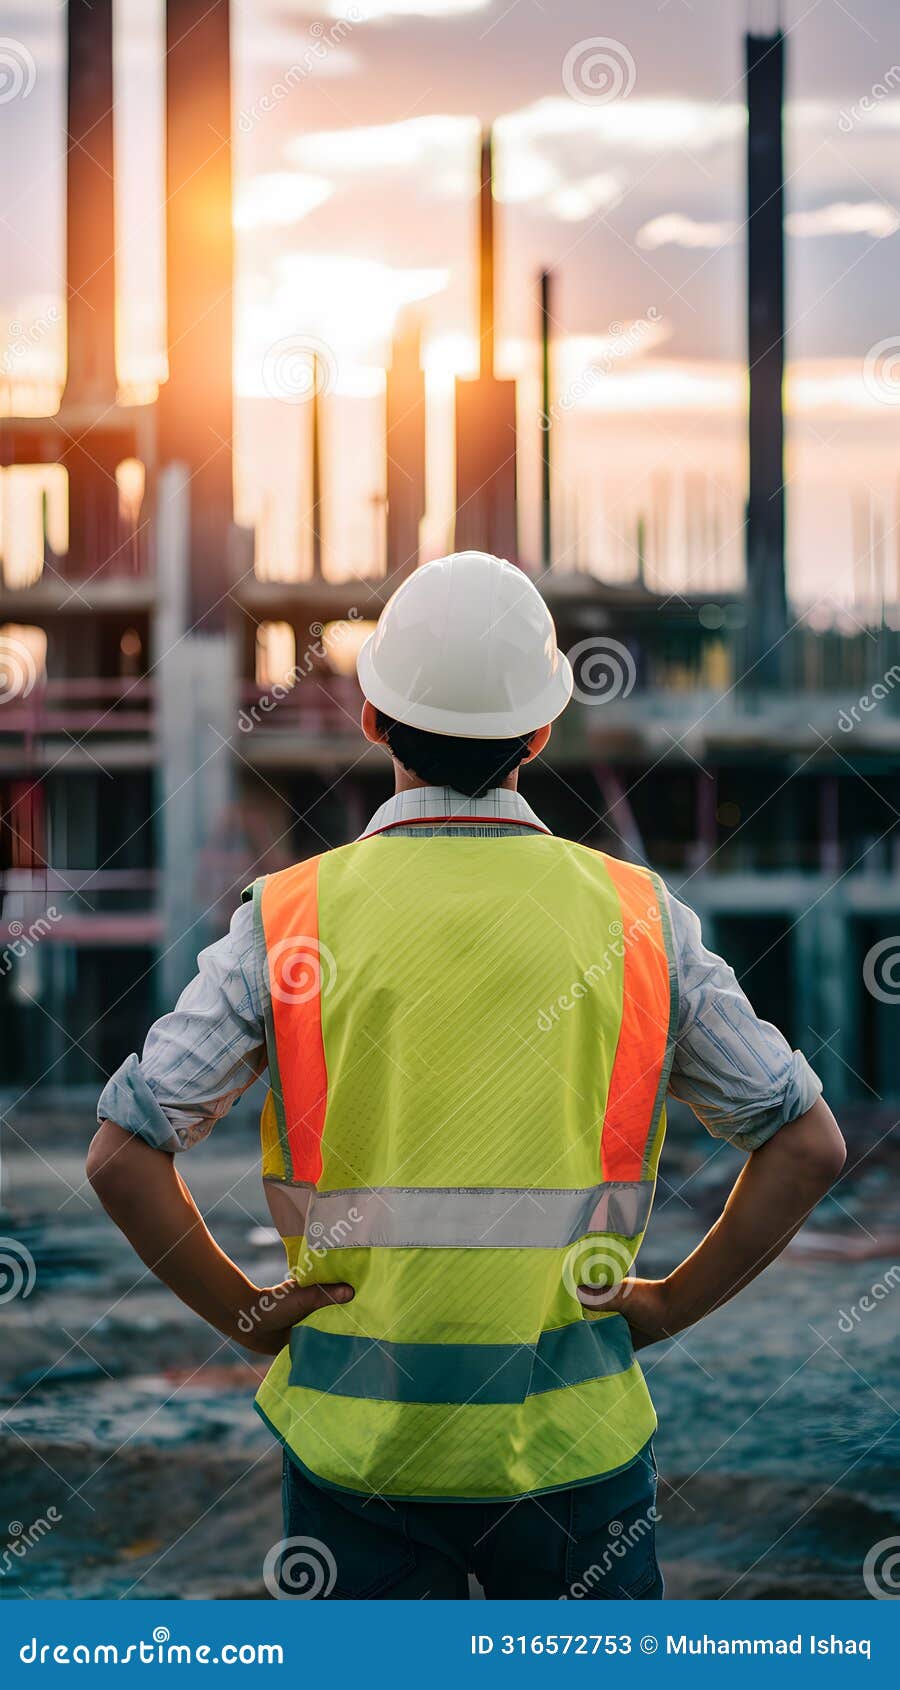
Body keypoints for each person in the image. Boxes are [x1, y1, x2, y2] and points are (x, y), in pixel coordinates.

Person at [87, 550, 845, 1600]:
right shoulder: (637, 919)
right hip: (577, 1459)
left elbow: (123, 1155)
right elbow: (806, 1144)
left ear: (371, 718)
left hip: (362, 1464)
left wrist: (248, 1316)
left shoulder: (288, 921)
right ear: (541, 733)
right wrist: (670, 1303)